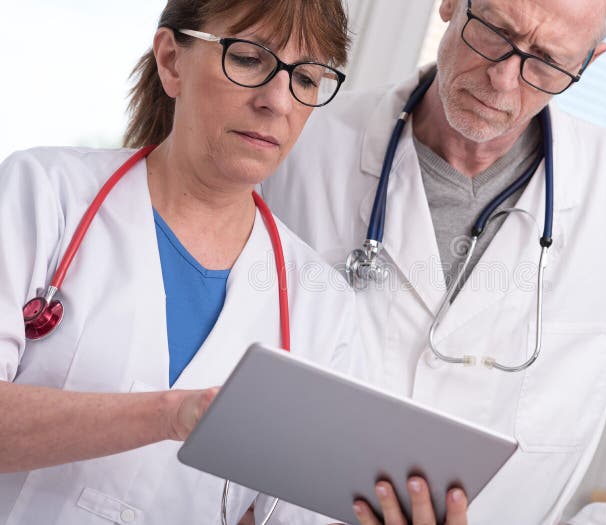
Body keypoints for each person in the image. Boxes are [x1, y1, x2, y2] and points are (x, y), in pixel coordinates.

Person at [261, 0, 606, 523]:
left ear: (588, 64)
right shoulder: (304, 149)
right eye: (496, 32)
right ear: (451, 5)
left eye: (546, 61)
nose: (503, 79)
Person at [0, 1, 357, 523]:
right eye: (251, 58)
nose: (277, 100)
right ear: (171, 61)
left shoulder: (320, 303)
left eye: (305, 77)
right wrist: (171, 416)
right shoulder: (43, 193)